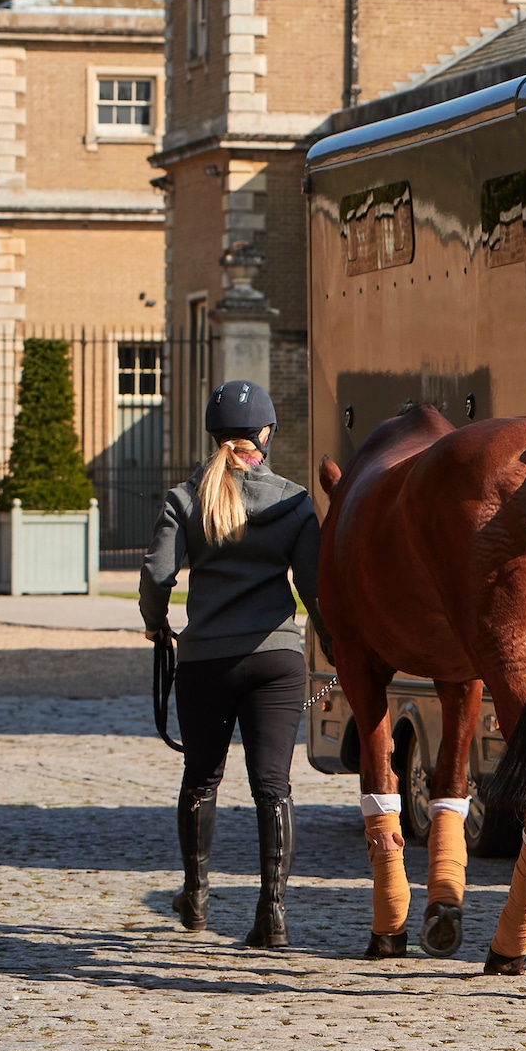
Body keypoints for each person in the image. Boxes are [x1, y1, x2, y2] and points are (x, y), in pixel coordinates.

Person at [143, 381, 322, 947]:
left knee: (201, 778)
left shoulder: (187, 496)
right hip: (276, 659)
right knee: (274, 786)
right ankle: (272, 914)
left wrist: (155, 623)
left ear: (213, 432)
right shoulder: (295, 501)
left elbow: (156, 577)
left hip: (207, 661)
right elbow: (316, 592)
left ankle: (195, 896)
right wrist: (337, 650)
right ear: (266, 434)